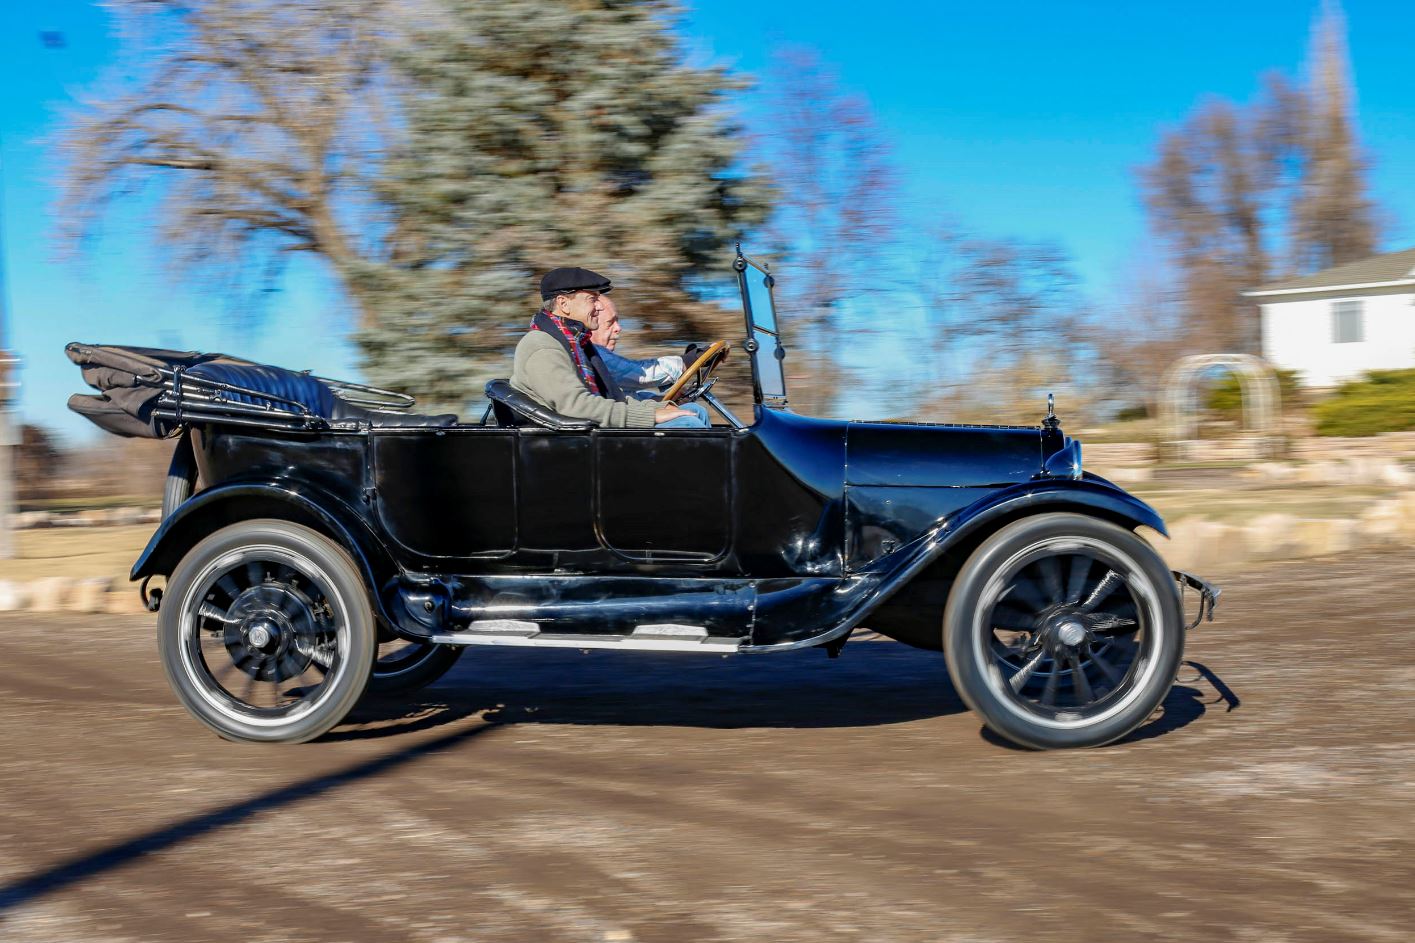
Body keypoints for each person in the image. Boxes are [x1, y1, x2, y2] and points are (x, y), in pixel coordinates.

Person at [511, 267, 706, 428]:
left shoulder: (577, 344)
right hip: (569, 442)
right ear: (564, 304)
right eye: (592, 299)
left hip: (589, 431)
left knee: (695, 411)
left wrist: (657, 407)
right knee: (687, 423)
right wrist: (650, 415)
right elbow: (577, 407)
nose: (599, 306)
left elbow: (608, 396)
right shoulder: (543, 346)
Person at [589, 295, 713, 426]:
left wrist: (660, 400)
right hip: (611, 425)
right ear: (591, 328)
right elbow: (643, 374)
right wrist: (690, 359)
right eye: (610, 323)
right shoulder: (594, 354)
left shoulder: (599, 357)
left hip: (621, 417)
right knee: (689, 423)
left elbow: (624, 396)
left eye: (617, 321)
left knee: (696, 410)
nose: (618, 328)